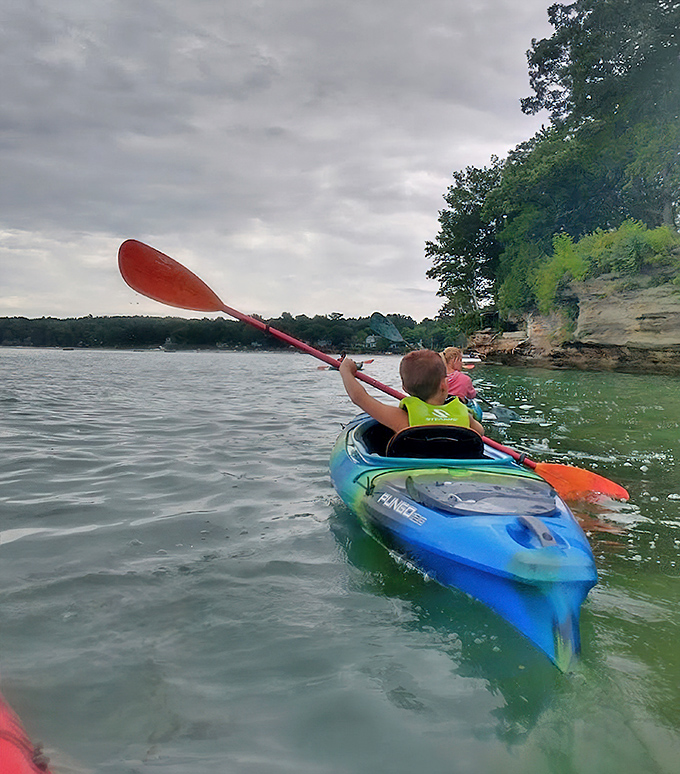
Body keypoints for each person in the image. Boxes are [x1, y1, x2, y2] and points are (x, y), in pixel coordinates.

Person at [339, 349, 484, 435]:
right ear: (444, 384)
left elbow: (359, 397)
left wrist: (346, 371)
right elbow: (480, 432)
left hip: (414, 477)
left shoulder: (400, 419)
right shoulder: (464, 415)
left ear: (404, 388)